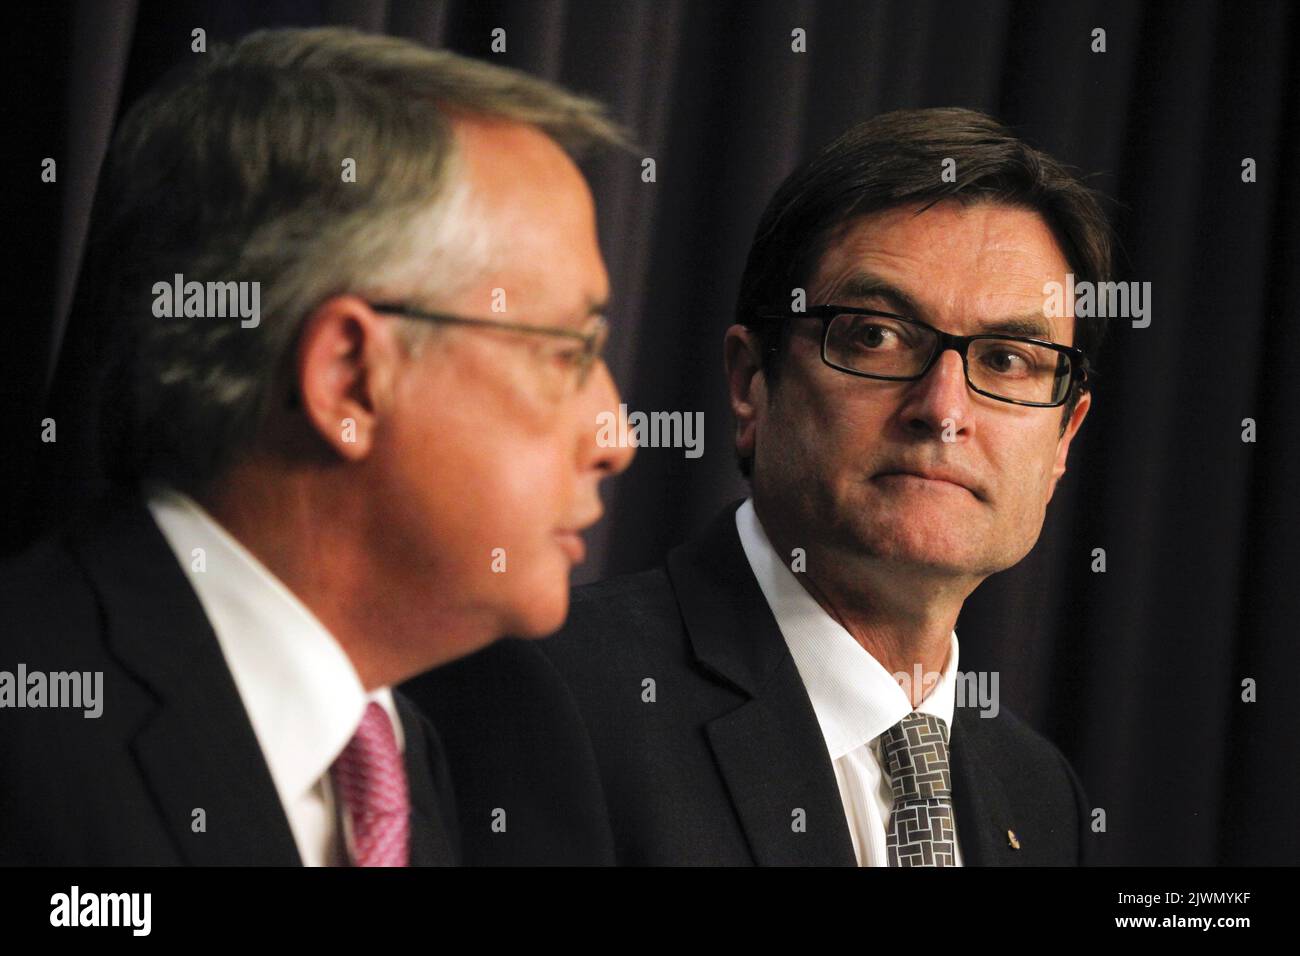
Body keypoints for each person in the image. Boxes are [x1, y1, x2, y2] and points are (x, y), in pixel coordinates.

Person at [0, 26, 633, 866]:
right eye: (568, 352)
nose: (617, 437)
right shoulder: (31, 728)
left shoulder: (478, 747)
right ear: (348, 378)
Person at [409, 107, 1108, 866]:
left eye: (1008, 361)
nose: (942, 411)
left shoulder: (1042, 797)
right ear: (750, 383)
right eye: (874, 335)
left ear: (1065, 436)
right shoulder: (544, 698)